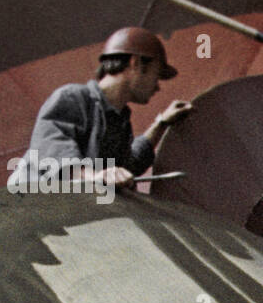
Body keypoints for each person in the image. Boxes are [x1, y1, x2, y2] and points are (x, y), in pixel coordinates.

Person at [13, 27, 191, 190]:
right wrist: (95, 176)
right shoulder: (73, 97)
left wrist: (161, 123)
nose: (157, 87)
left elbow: (126, 167)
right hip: (29, 209)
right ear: (135, 63)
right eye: (156, 75)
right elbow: (51, 152)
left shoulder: (118, 119)